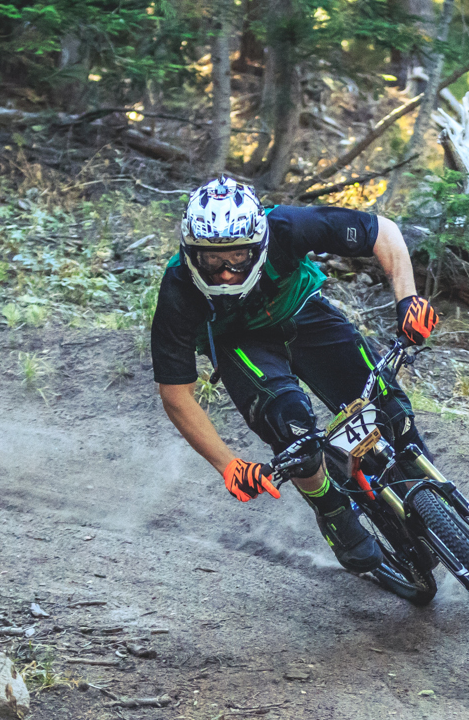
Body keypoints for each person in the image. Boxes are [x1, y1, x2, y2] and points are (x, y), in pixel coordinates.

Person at [150, 175, 440, 573]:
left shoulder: (285, 226)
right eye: (211, 260)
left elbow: (382, 232)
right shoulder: (178, 289)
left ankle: (430, 491)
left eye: (237, 257)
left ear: (260, 242)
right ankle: (331, 508)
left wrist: (408, 299)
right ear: (190, 252)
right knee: (294, 429)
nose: (226, 273)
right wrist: (229, 465)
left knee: (388, 407)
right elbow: (176, 394)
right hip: (239, 343)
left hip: (302, 312)